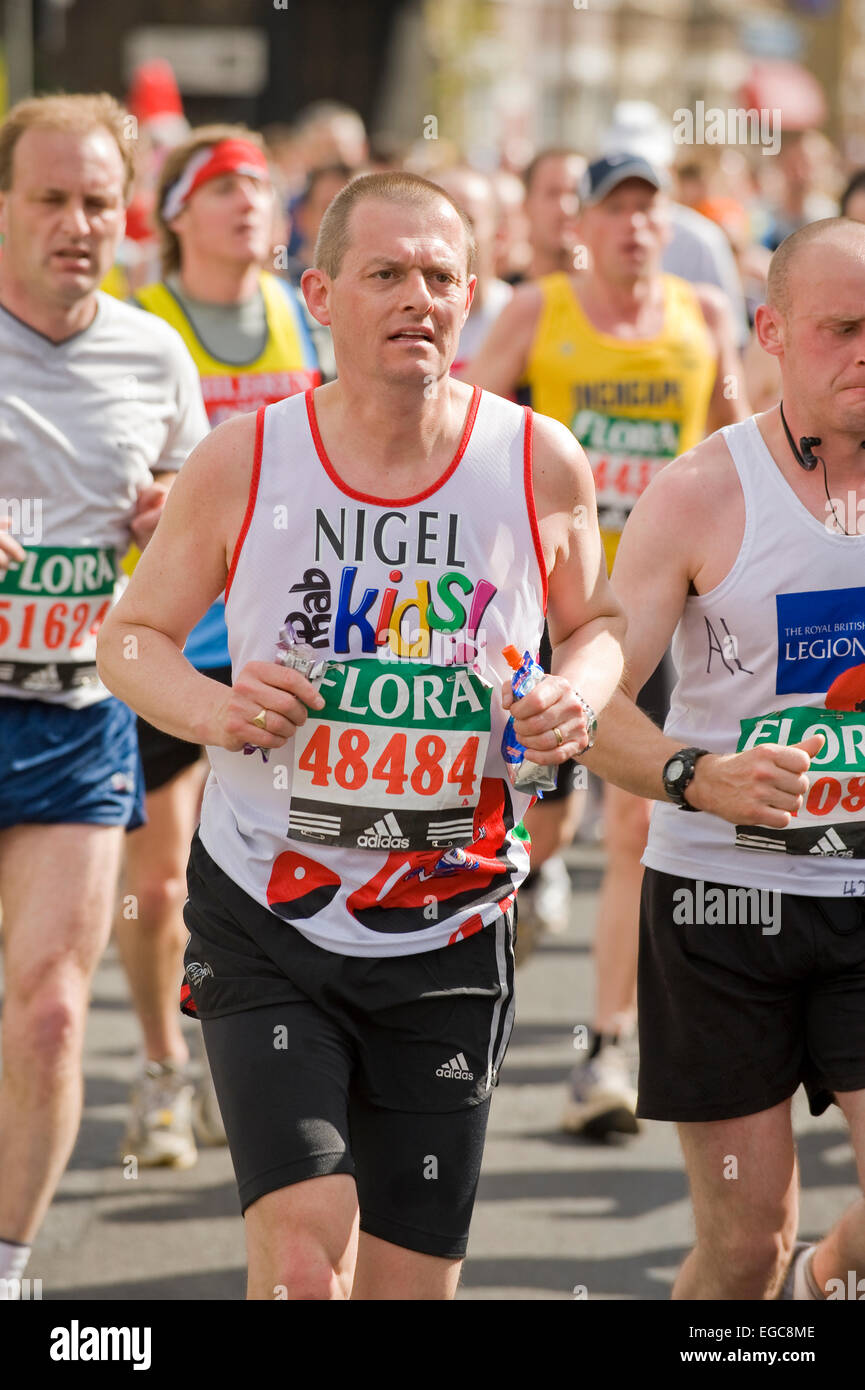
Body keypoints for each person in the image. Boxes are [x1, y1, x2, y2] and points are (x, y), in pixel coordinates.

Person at [97, 170, 626, 1299]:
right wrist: (216, 708)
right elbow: (129, 637)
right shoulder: (246, 460)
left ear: (472, 295)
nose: (416, 297)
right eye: (386, 274)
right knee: (301, 1255)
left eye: (440, 276)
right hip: (267, 913)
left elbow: (604, 623)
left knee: (404, 1284)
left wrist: (573, 690)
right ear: (323, 293)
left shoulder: (535, 462)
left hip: (450, 924)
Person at [570, 216, 865, 1299]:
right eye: (841, 329)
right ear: (772, 332)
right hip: (722, 901)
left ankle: (830, 1271)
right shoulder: (702, 490)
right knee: (743, 1247)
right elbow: (593, 708)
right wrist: (697, 774)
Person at [470, 152, 747, 1133]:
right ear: (578, 226)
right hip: (550, 610)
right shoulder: (536, 312)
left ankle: (604, 1046)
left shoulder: (703, 319)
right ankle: (520, 896)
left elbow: (738, 450)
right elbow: (463, 424)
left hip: (656, 609)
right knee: (533, 826)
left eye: (648, 209)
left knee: (636, 821)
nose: (634, 227)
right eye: (613, 210)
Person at [0, 93, 207, 1296]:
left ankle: (14, 1268)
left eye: (98, 200)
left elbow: (194, 495)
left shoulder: (153, 350)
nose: (80, 223)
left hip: (77, 711)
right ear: (6, 208)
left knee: (50, 1017)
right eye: (52, 199)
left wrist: (171, 505)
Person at [117, 124, 322, 1169]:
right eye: (225, 187)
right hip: (168, 641)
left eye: (263, 187)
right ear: (178, 211)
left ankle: (259, 1059)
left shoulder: (298, 316)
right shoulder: (142, 323)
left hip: (279, 647)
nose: (251, 203)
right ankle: (161, 1068)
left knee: (259, 870)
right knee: (156, 883)